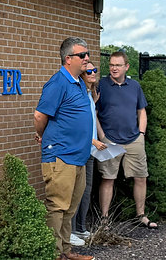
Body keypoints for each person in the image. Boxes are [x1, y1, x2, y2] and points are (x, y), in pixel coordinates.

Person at [33, 37, 95, 260]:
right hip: (60, 156)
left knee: (69, 209)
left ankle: (66, 251)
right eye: (82, 55)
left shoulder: (78, 82)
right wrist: (42, 135)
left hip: (78, 156)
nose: (87, 58)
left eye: (87, 54)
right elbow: (40, 115)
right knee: (57, 208)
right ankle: (53, 253)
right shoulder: (58, 83)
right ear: (68, 59)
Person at [95, 51, 156, 229]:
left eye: (118, 65)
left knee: (141, 177)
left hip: (134, 139)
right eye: (112, 65)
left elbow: (141, 111)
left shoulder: (134, 86)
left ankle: (141, 215)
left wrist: (142, 134)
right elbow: (95, 113)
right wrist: (102, 137)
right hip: (109, 141)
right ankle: (104, 219)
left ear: (126, 67)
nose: (114, 68)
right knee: (108, 178)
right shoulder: (101, 86)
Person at [70, 59, 107, 246]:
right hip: (81, 148)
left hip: (91, 149)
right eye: (88, 71)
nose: (92, 73)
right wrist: (93, 140)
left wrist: (100, 138)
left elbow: (92, 120)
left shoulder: (89, 94)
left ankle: (80, 227)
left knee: (86, 190)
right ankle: (69, 231)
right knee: (76, 190)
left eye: (94, 70)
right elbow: (75, 124)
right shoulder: (77, 94)